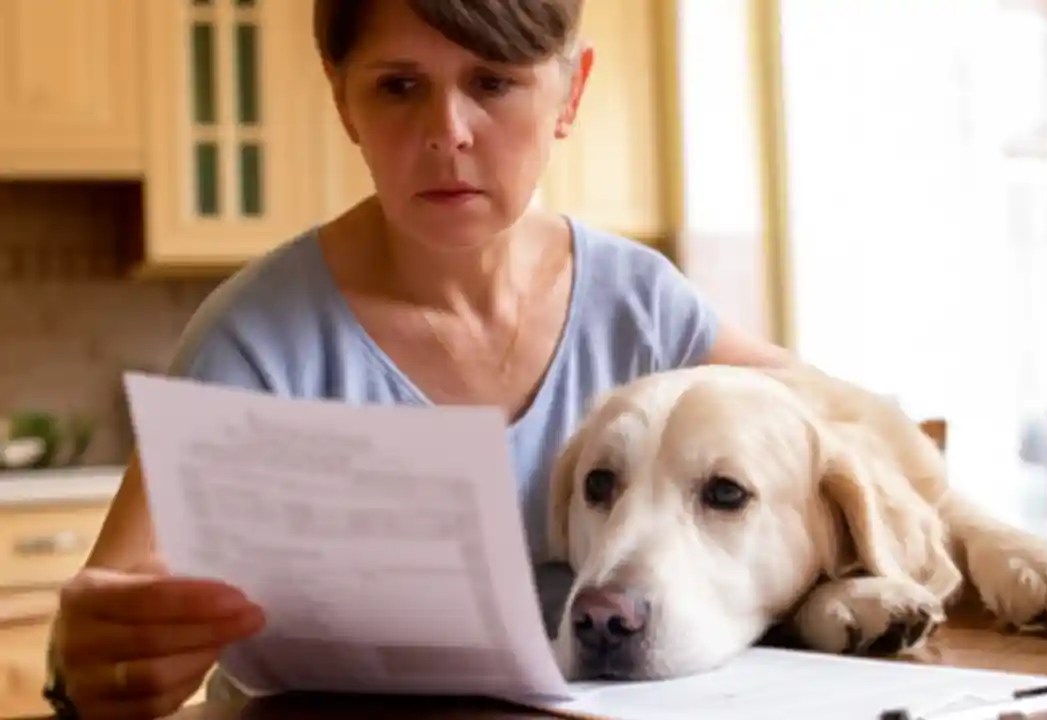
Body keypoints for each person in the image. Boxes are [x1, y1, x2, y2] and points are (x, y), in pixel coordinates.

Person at [42, 1, 794, 718]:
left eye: (493, 82)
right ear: (343, 102)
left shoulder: (646, 310)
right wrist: (89, 668)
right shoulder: (255, 340)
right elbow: (106, 613)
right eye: (400, 87)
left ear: (571, 92)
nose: (447, 132)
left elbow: (826, 426)